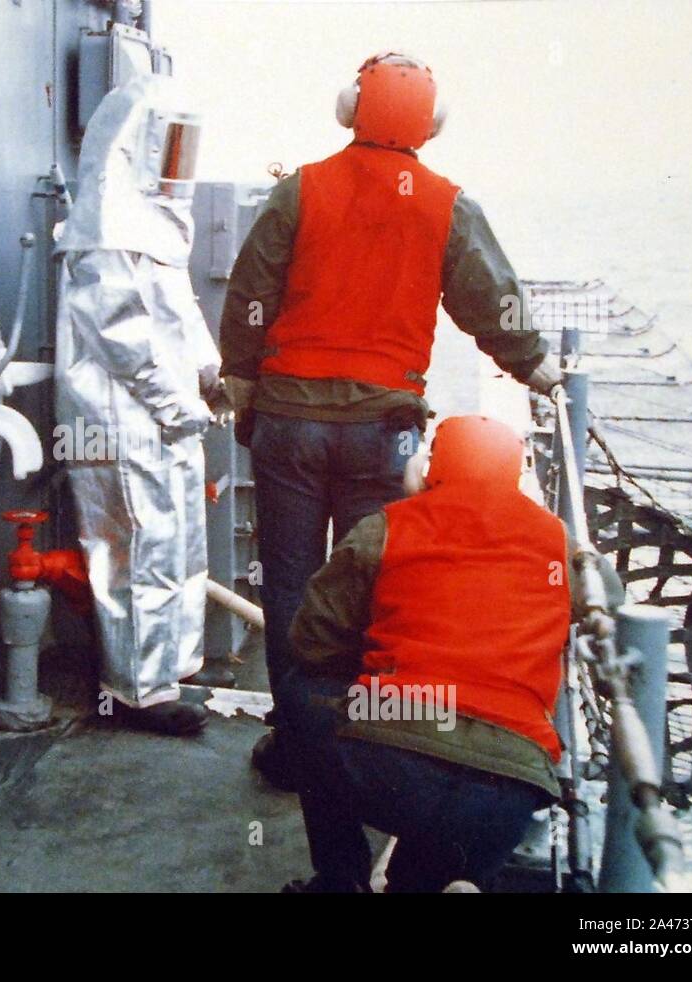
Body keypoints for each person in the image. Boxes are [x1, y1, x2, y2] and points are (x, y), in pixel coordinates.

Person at [217, 52, 563, 783]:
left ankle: (299, 747)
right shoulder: (446, 205)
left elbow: (251, 294)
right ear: (431, 126)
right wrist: (535, 363)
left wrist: (242, 373)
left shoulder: (299, 191)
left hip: (288, 423)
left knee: (290, 586)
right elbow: (490, 303)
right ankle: (360, 748)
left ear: (350, 108)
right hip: (385, 431)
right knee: (376, 582)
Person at [277, 415, 573, 892]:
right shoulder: (557, 541)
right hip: (513, 782)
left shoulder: (388, 527)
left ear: (427, 467)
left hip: (394, 760)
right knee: (429, 874)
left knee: (302, 694)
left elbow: (311, 642)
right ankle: (453, 880)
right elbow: (610, 595)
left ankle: (340, 880)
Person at [54, 74, 229, 735]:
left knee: (180, 539)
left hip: (166, 413)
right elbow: (121, 333)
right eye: (170, 145)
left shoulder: (151, 227)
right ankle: (134, 690)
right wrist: (176, 403)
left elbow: (178, 312)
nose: (178, 162)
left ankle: (172, 665)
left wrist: (210, 372)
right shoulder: (104, 232)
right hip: (122, 417)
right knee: (138, 543)